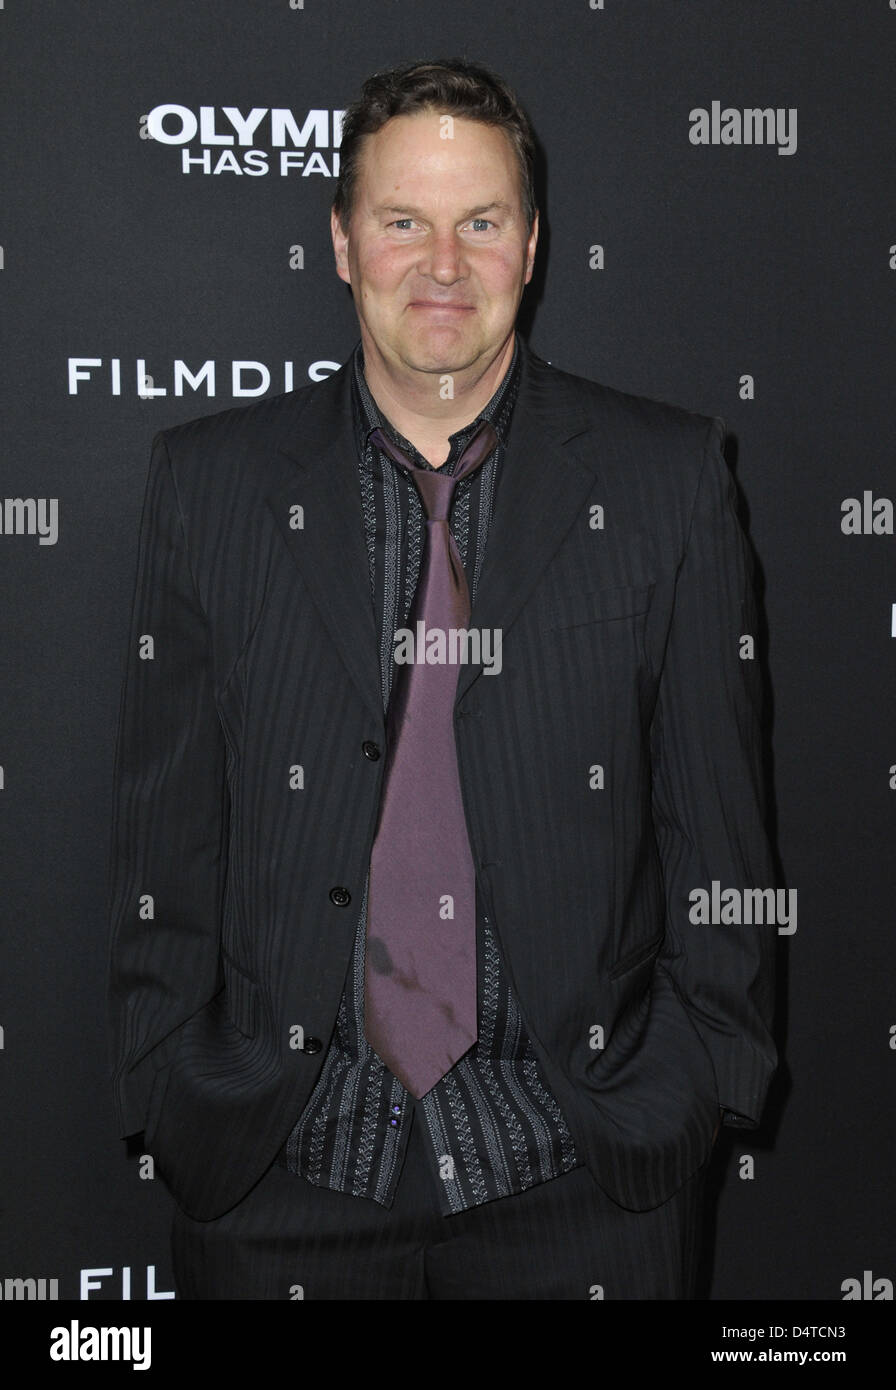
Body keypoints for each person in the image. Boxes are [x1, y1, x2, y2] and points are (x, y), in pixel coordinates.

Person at [107, 56, 777, 1300]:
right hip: (278, 1175)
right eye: (402, 221)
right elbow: (167, 834)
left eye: (480, 222)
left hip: (582, 1182)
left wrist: (697, 1089)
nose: (442, 263)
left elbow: (719, 837)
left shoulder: (663, 480)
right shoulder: (209, 483)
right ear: (342, 244)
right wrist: (170, 1083)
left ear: (530, 245)